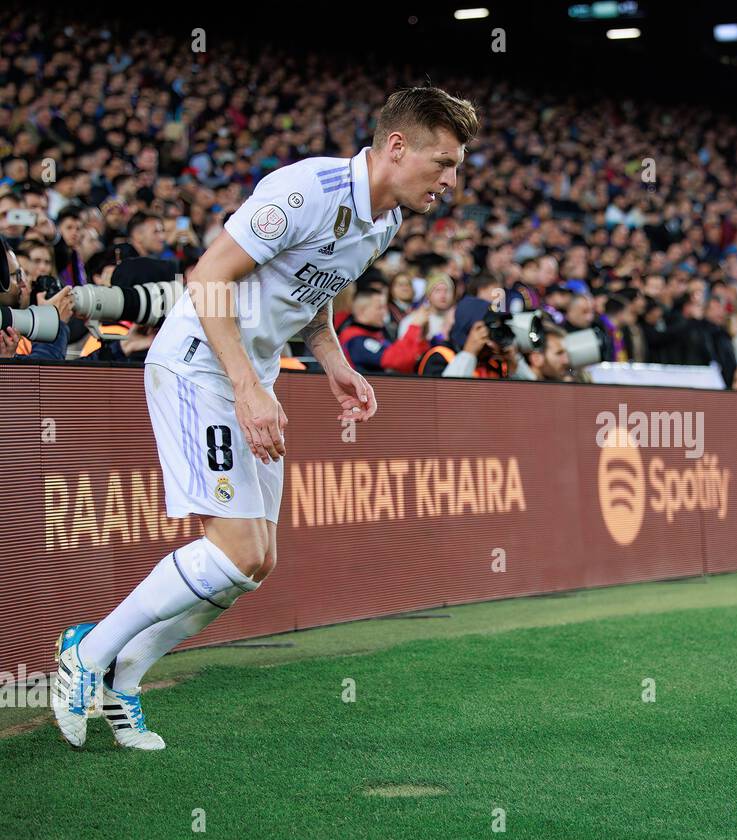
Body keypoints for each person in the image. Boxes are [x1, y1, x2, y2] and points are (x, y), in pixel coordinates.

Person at [51, 86, 480, 751]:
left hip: (252, 377)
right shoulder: (306, 190)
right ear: (398, 147)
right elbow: (209, 278)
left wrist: (335, 362)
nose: (452, 181)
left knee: (257, 563)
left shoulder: (386, 220)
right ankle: (87, 651)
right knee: (237, 550)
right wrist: (249, 389)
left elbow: (311, 297)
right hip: (199, 365)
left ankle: (124, 676)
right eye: (444, 163)